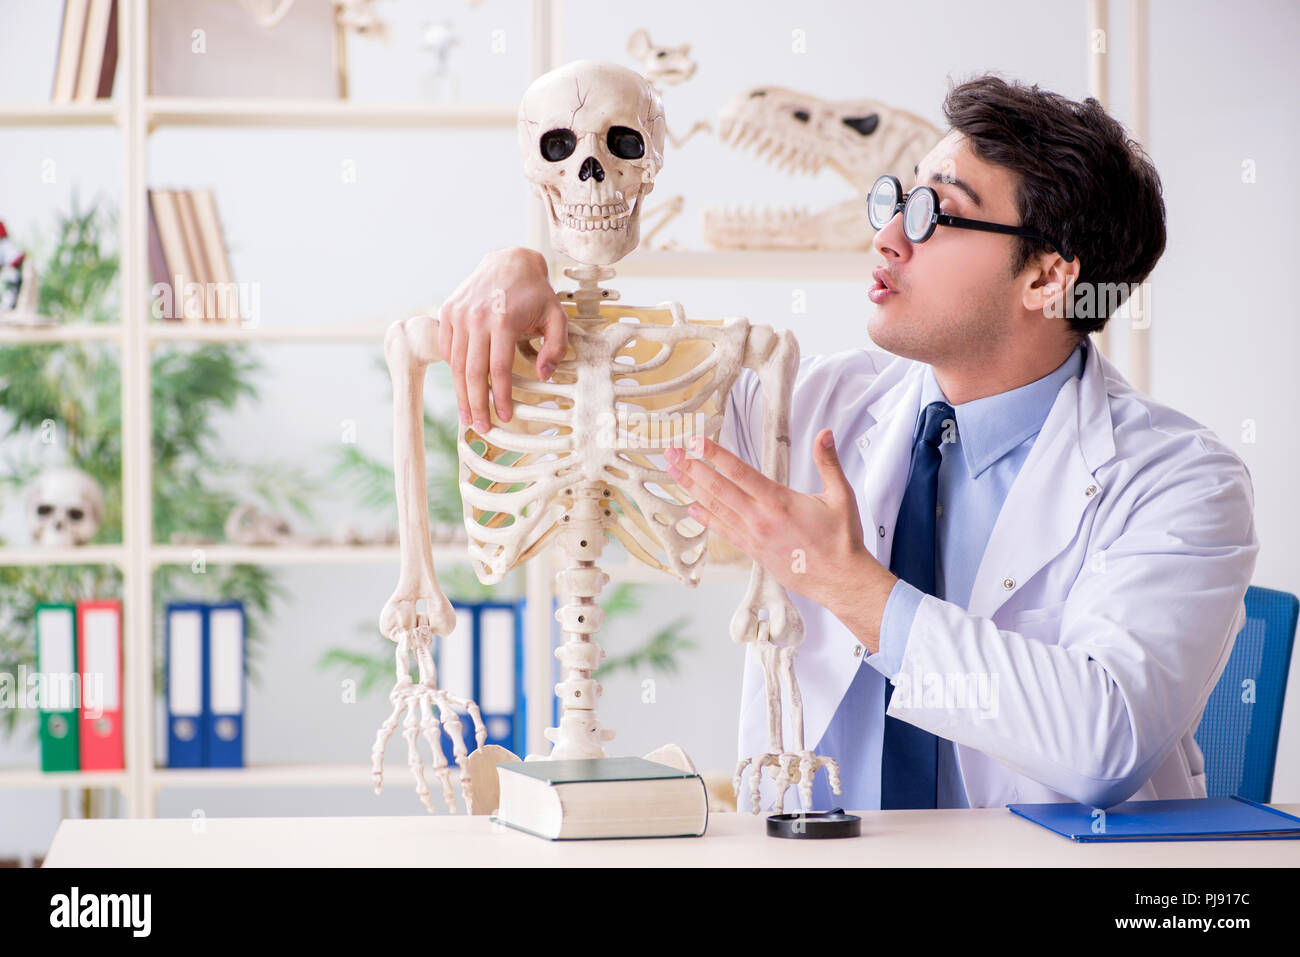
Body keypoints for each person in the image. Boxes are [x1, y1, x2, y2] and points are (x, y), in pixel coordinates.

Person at [432, 74, 1259, 812]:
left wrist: (851, 587)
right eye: (896, 198)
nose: (890, 235)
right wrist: (522, 267)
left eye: (937, 212)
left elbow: (1102, 741)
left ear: (1048, 277)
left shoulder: (1181, 481)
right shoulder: (814, 404)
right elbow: (600, 391)